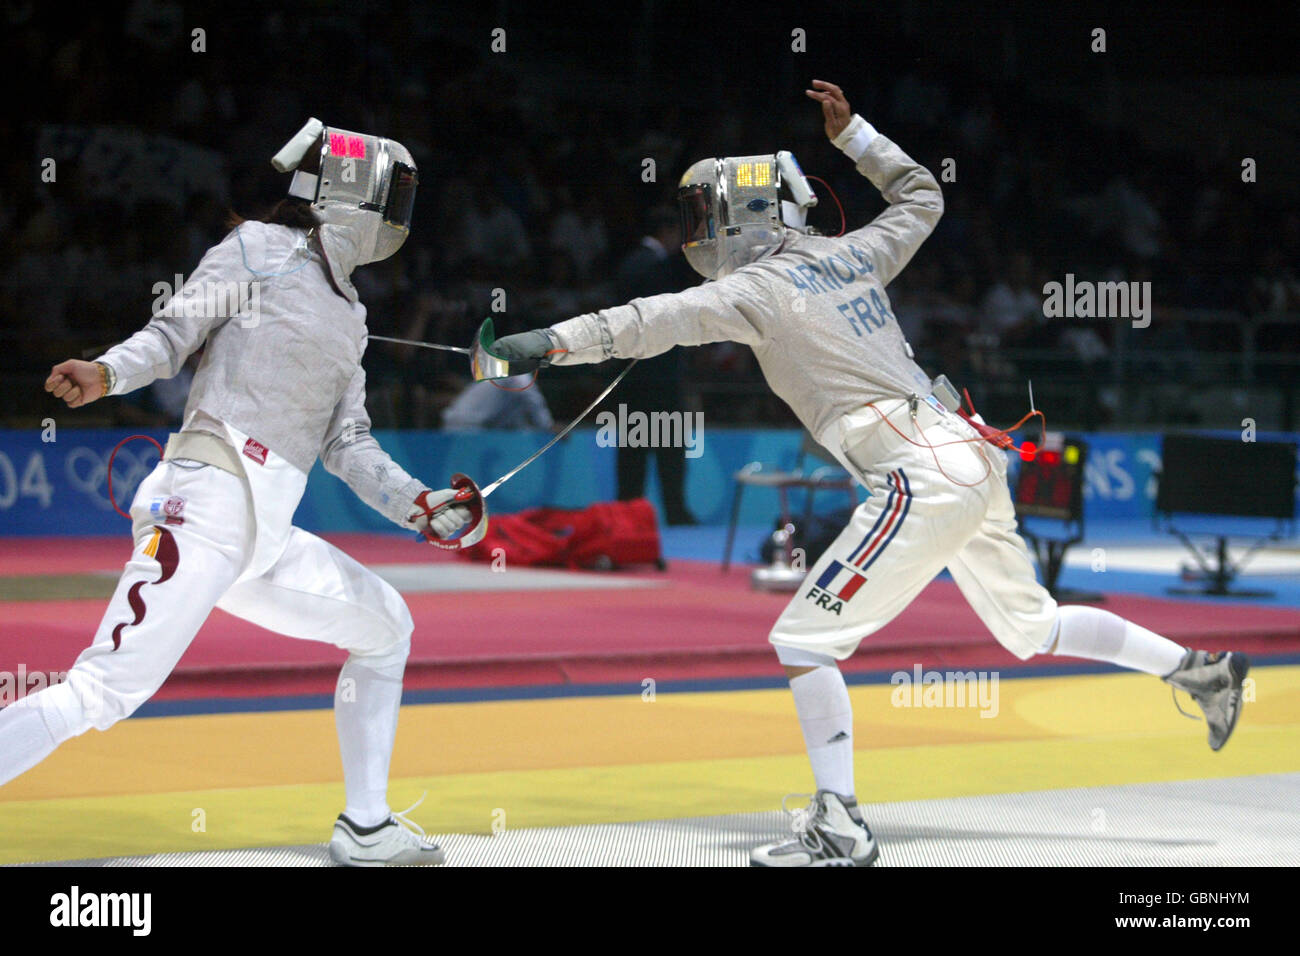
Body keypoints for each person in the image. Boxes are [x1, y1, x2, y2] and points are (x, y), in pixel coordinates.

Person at [489, 80, 1250, 867]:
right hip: (969, 451)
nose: (695, 234)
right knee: (1032, 626)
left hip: (919, 470)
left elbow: (646, 321)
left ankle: (840, 826)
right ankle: (1202, 671)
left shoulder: (753, 288)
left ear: (742, 215)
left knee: (804, 640)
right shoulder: (851, 254)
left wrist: (544, 342)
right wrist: (856, 138)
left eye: (702, 216)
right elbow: (923, 196)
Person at [8, 119, 472, 867]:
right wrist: (109, 371)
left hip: (266, 535)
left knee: (387, 627)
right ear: (350, 194)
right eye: (396, 195)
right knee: (101, 693)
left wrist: (424, 506)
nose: (400, 217)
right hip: (204, 504)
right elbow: (172, 332)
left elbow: (347, 442)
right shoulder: (258, 246)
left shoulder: (351, 314)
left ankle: (366, 825)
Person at [613, 208, 698, 524]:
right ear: (668, 232)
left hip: (633, 374)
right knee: (669, 447)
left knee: (634, 449)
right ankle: (675, 510)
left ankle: (627, 511)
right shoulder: (657, 267)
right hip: (658, 374)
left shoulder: (631, 262)